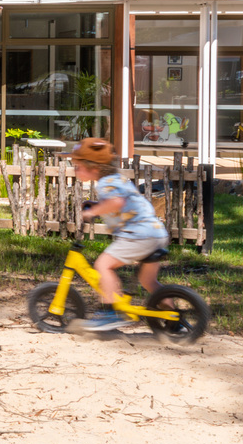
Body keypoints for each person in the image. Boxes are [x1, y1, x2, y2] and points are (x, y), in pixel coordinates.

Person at [65, 138, 169, 333]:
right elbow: (118, 201)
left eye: (77, 166)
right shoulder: (117, 179)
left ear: (93, 167)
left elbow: (117, 202)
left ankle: (111, 313)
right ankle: (174, 320)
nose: (75, 170)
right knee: (149, 282)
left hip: (138, 234)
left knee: (103, 265)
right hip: (155, 232)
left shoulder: (105, 184)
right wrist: (96, 205)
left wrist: (91, 212)